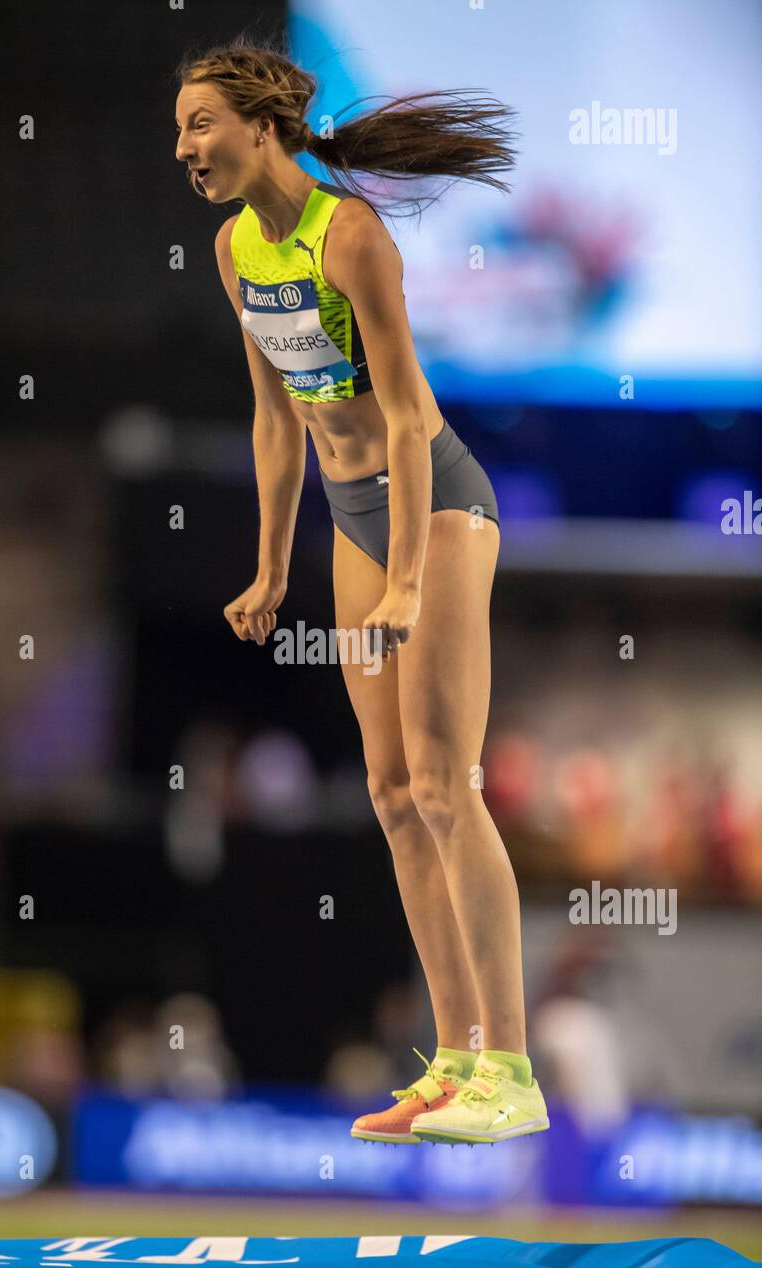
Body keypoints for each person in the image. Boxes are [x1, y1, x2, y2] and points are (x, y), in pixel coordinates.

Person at [174, 37, 548, 1146]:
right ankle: (452, 1058)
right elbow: (273, 413)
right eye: (178, 131)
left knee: (445, 782)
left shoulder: (351, 236)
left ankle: (509, 1065)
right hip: (350, 519)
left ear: (261, 125)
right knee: (390, 798)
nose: (185, 148)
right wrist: (271, 566)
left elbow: (398, 410)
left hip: (434, 498)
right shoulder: (233, 251)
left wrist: (411, 581)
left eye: (200, 124)